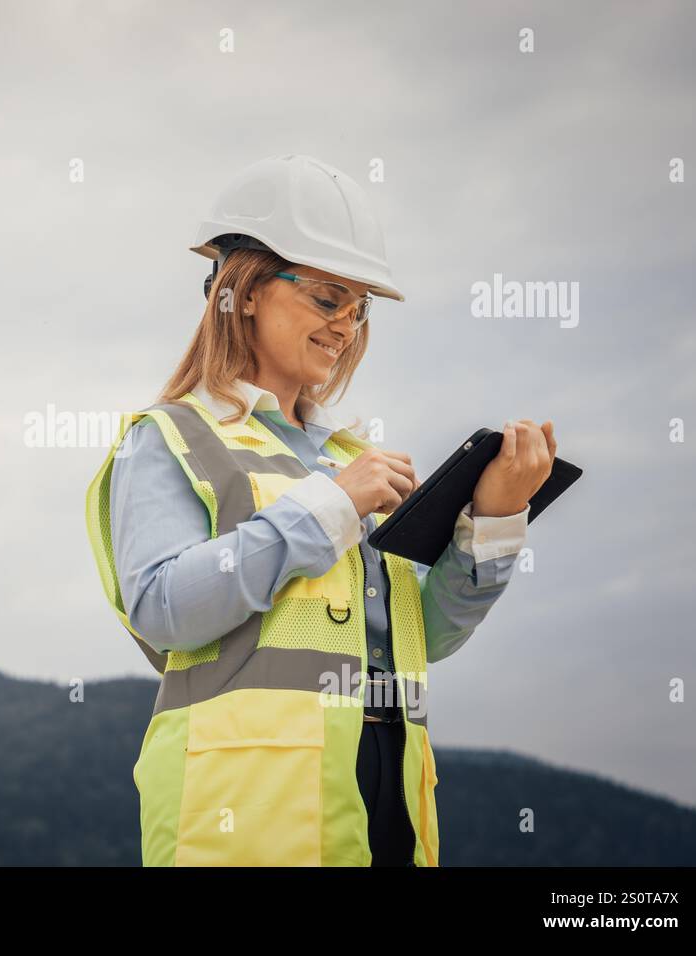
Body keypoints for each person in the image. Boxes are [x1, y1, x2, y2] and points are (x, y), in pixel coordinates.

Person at [84, 154, 557, 866]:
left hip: (386, 784)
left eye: (359, 308)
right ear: (243, 293)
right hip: (244, 810)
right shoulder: (170, 439)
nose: (346, 325)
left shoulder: (346, 458)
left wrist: (490, 523)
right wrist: (329, 507)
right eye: (328, 298)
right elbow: (161, 609)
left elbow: (420, 637)